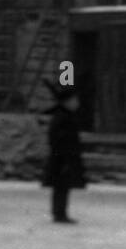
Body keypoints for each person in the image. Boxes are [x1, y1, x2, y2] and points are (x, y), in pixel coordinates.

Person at [42, 84, 86, 223]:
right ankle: (59, 213)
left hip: (65, 157)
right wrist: (64, 157)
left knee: (63, 187)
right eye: (74, 100)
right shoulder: (62, 117)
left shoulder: (66, 115)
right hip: (62, 158)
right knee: (61, 186)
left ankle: (60, 212)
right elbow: (58, 139)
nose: (77, 103)